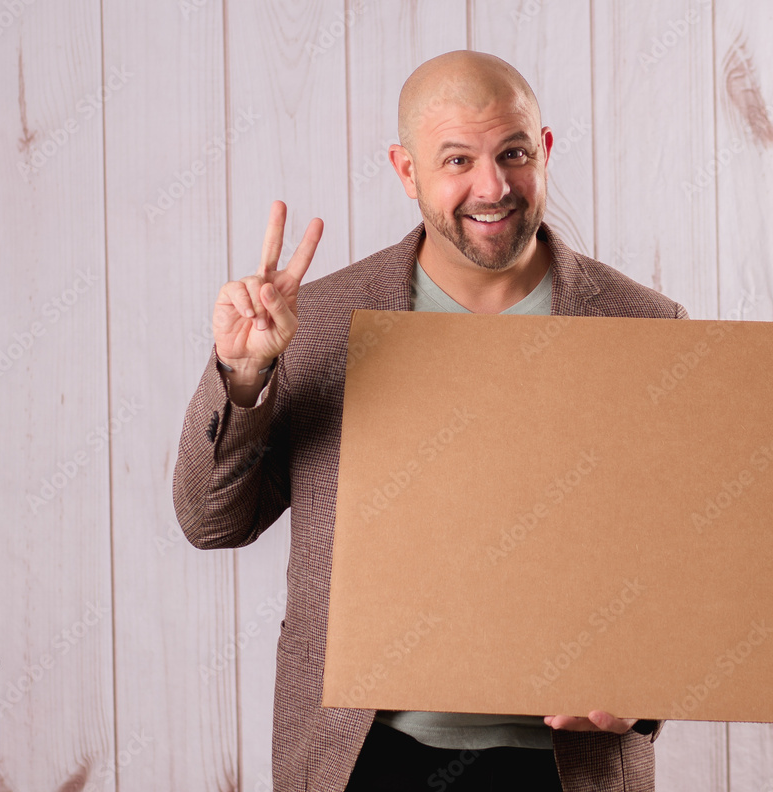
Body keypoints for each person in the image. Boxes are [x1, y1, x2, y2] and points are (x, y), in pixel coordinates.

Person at [174, 50, 687, 792]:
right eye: (457, 159)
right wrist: (244, 373)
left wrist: (644, 687)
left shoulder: (645, 326)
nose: (493, 186)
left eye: (513, 152)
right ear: (407, 171)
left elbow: (690, 558)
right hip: (366, 759)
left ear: (543, 152)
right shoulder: (318, 323)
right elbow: (210, 521)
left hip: (563, 769)